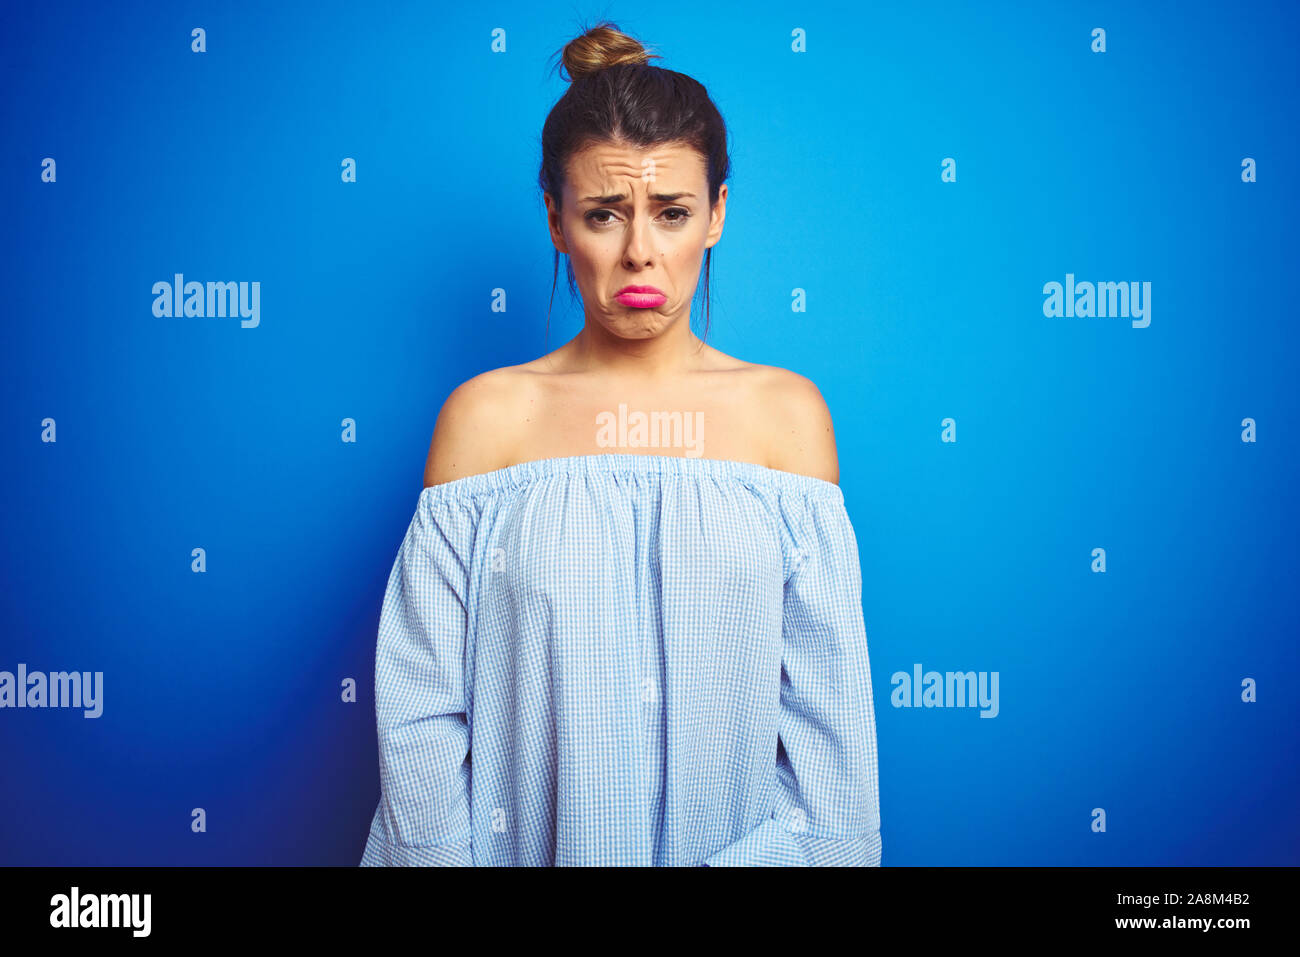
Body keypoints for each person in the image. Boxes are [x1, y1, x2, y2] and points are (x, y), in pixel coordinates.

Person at [359, 21, 882, 866]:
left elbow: (833, 776)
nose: (640, 253)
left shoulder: (786, 418)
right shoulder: (486, 420)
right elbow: (421, 721)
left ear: (715, 214)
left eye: (671, 212)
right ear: (556, 219)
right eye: (604, 213)